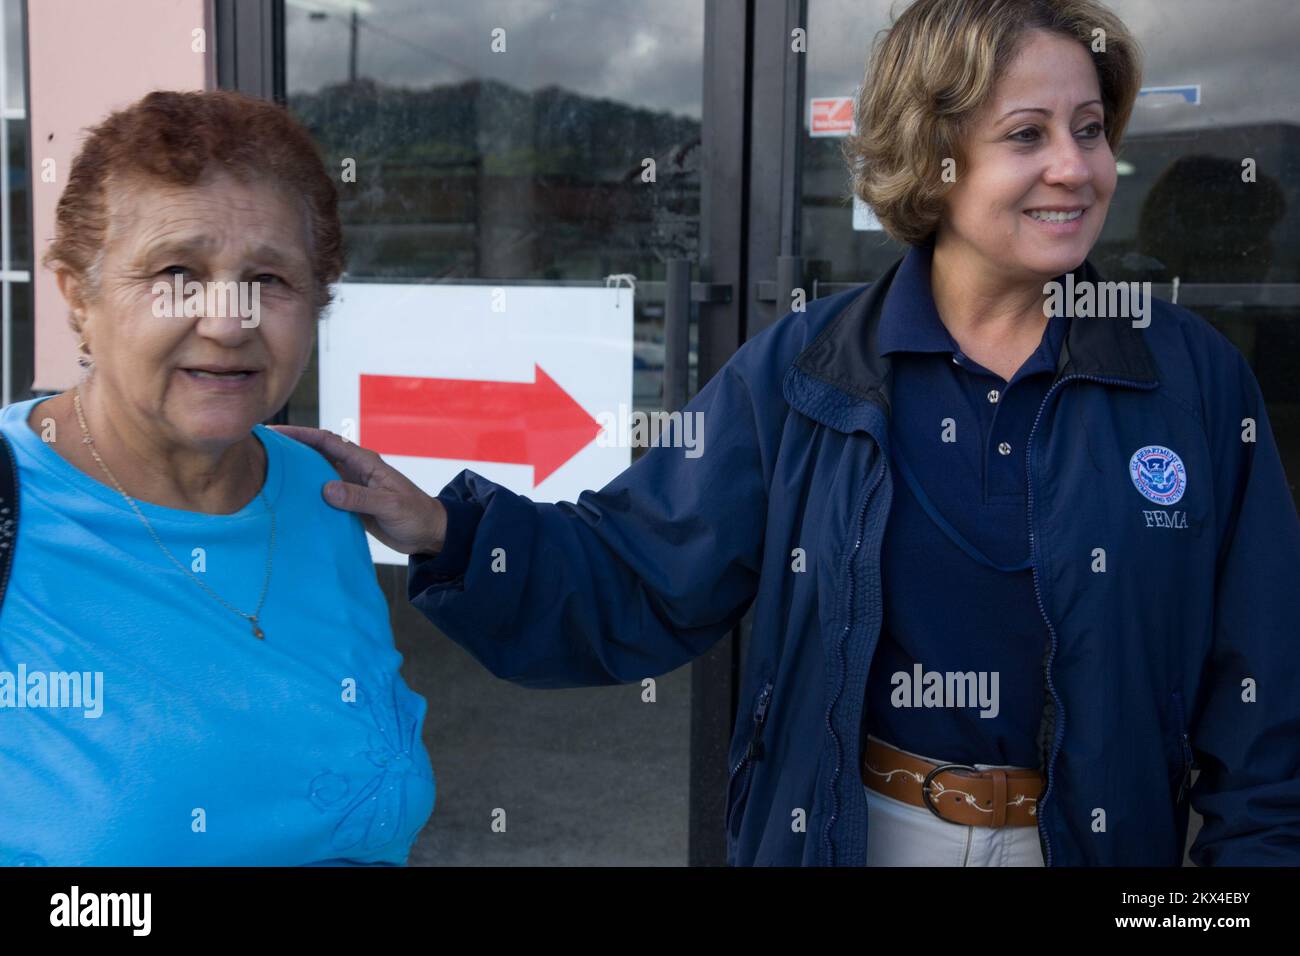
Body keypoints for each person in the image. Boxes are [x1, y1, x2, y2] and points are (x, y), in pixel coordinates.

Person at [281, 0, 1300, 866]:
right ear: (933, 156)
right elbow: (638, 567)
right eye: (1027, 134)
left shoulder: (1189, 379)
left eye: (1090, 128)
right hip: (864, 832)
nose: (1075, 167)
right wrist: (456, 533)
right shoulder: (807, 367)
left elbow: (1263, 685)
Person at [0, 90, 434, 866]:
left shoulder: (319, 493)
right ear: (77, 296)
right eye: (176, 272)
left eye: (269, 279)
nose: (230, 322)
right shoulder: (15, 509)